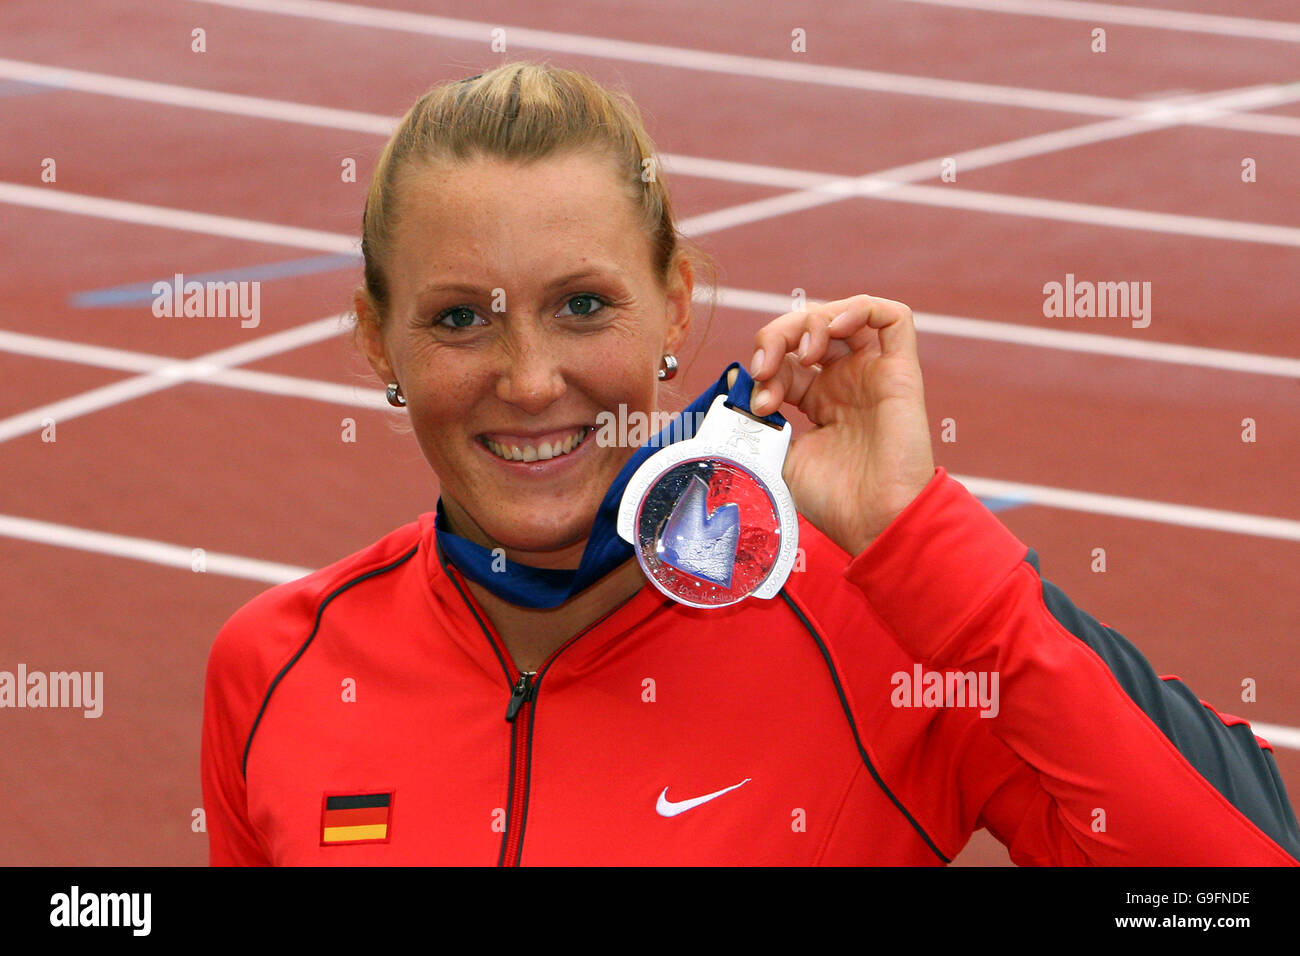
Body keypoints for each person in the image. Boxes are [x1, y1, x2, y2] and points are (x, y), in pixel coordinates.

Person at [200, 62, 1299, 866]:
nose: (531, 379)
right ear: (374, 340)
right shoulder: (273, 670)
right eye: (456, 319)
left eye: (583, 305)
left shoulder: (883, 644)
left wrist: (922, 541)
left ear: (674, 305)